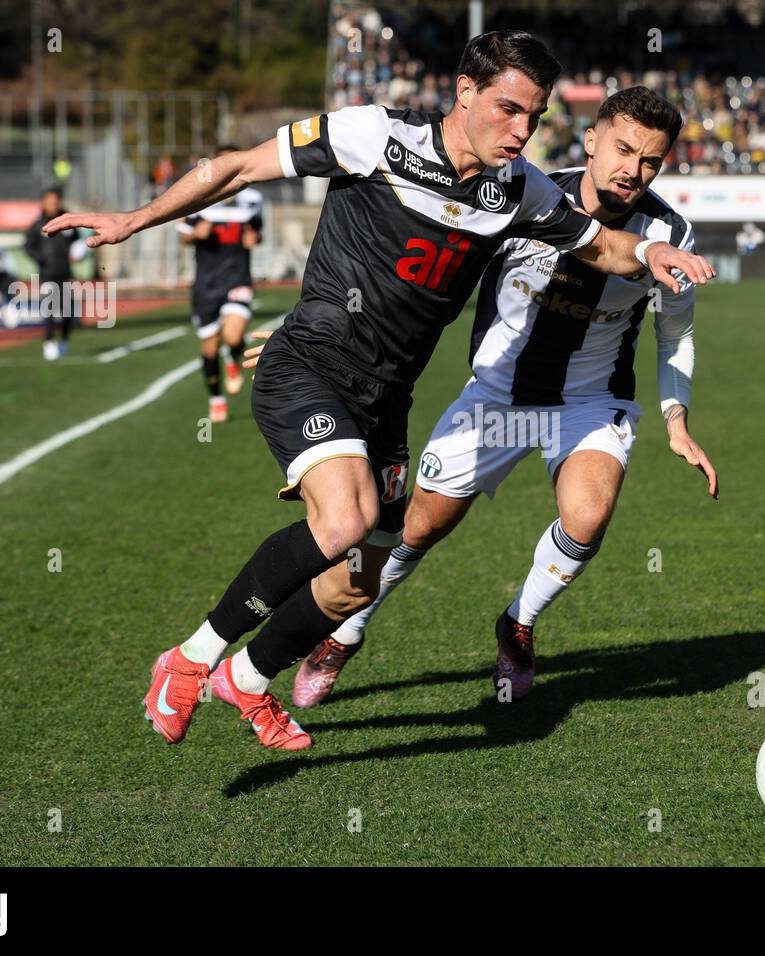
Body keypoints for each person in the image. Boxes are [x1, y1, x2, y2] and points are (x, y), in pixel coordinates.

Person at [44, 31, 714, 752]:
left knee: (358, 580)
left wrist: (652, 251)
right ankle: (189, 658)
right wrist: (135, 219)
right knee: (344, 521)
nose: (522, 130)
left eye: (535, 115)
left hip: (387, 401)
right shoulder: (372, 136)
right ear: (465, 93)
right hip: (312, 365)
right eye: (508, 109)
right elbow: (237, 169)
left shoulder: (520, 189)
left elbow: (602, 245)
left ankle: (247, 677)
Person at [278, 86, 717, 707]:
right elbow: (420, 278)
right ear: (590, 141)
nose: (632, 170)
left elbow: (677, 331)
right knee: (418, 529)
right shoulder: (519, 196)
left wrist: (677, 420)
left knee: (587, 516)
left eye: (650, 161)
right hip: (498, 397)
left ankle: (518, 623)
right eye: (623, 149)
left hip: (591, 404)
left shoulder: (669, 232)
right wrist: (317, 328)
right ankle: (345, 632)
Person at [178, 146, 262, 422]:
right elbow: (185, 232)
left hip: (237, 276)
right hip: (206, 282)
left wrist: (255, 240)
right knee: (210, 347)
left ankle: (233, 360)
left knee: (235, 336)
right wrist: (195, 235)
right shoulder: (200, 196)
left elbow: (256, 233)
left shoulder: (252, 198)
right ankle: (216, 398)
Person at [24, 188, 79, 360]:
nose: (52, 205)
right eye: (49, 201)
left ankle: (64, 340)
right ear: (43, 203)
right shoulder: (37, 225)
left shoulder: (68, 222)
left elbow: (78, 243)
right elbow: (28, 246)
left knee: (67, 310)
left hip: (65, 272)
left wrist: (78, 253)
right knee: (50, 308)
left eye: (55, 201)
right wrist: (42, 258)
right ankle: (48, 342)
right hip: (48, 273)